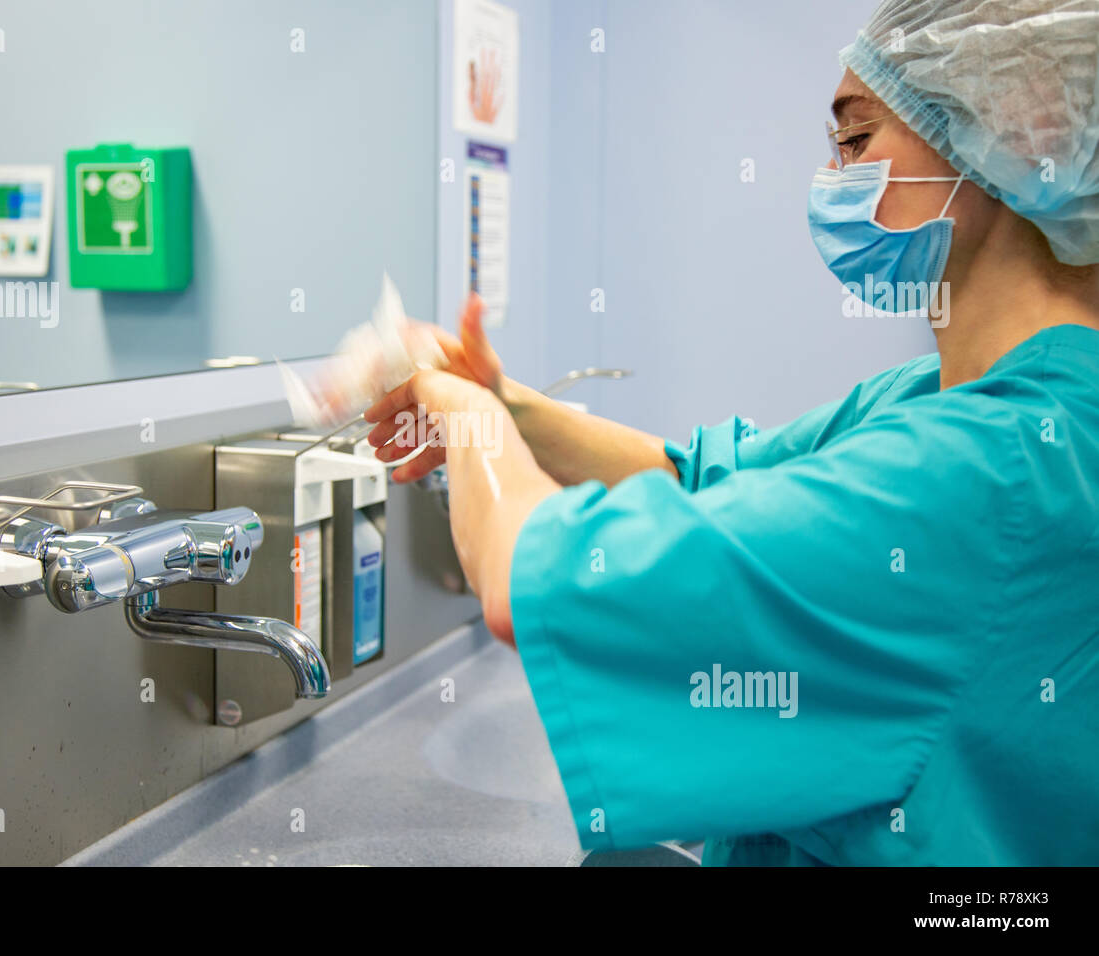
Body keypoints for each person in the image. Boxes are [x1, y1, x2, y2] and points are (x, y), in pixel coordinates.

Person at [363, 0, 1099, 865]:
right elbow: (700, 480)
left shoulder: (982, 467)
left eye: (856, 142)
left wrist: (463, 414)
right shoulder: (961, 400)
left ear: (1021, 138)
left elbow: (532, 578)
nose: (830, 176)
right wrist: (505, 401)